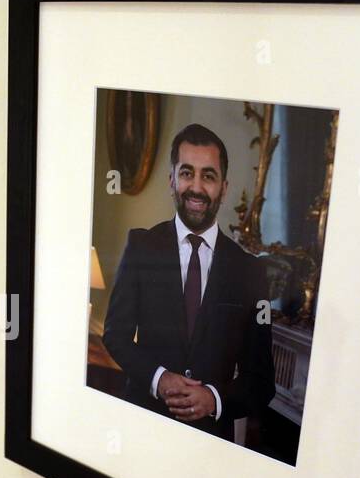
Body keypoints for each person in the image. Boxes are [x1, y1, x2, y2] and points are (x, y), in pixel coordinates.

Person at [102, 123, 275, 443]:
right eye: (186, 173)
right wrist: (159, 378)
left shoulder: (250, 271)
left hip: (209, 443)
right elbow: (115, 335)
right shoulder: (141, 246)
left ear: (224, 187)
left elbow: (261, 380)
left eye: (208, 176)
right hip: (141, 426)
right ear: (172, 180)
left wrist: (214, 399)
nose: (196, 187)